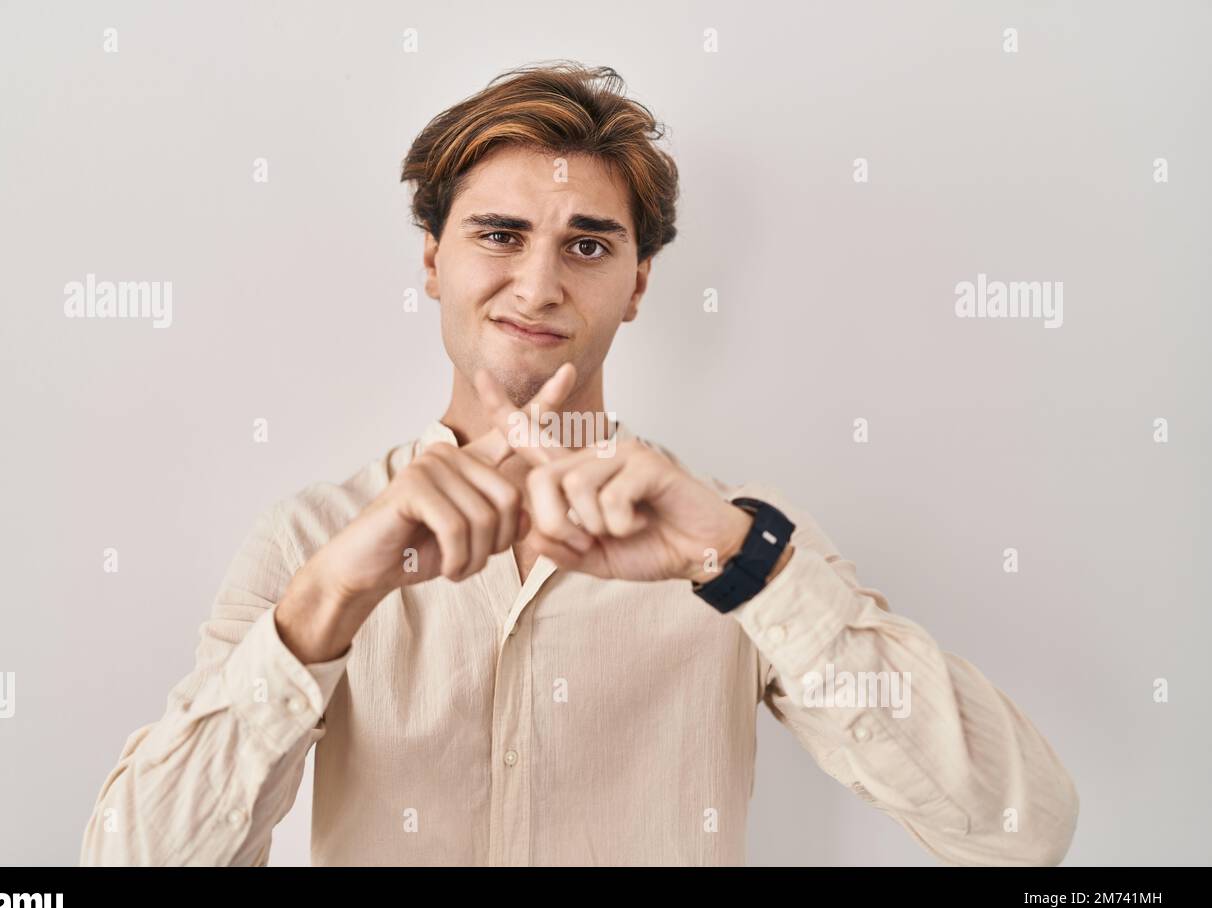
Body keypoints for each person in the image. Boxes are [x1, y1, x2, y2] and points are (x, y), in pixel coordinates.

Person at [80, 60, 1078, 866]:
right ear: (431, 261)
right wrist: (324, 607)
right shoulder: (309, 540)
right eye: (499, 235)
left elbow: (1018, 831)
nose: (538, 281)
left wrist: (748, 564)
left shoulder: (734, 536)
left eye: (588, 245)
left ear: (639, 283)